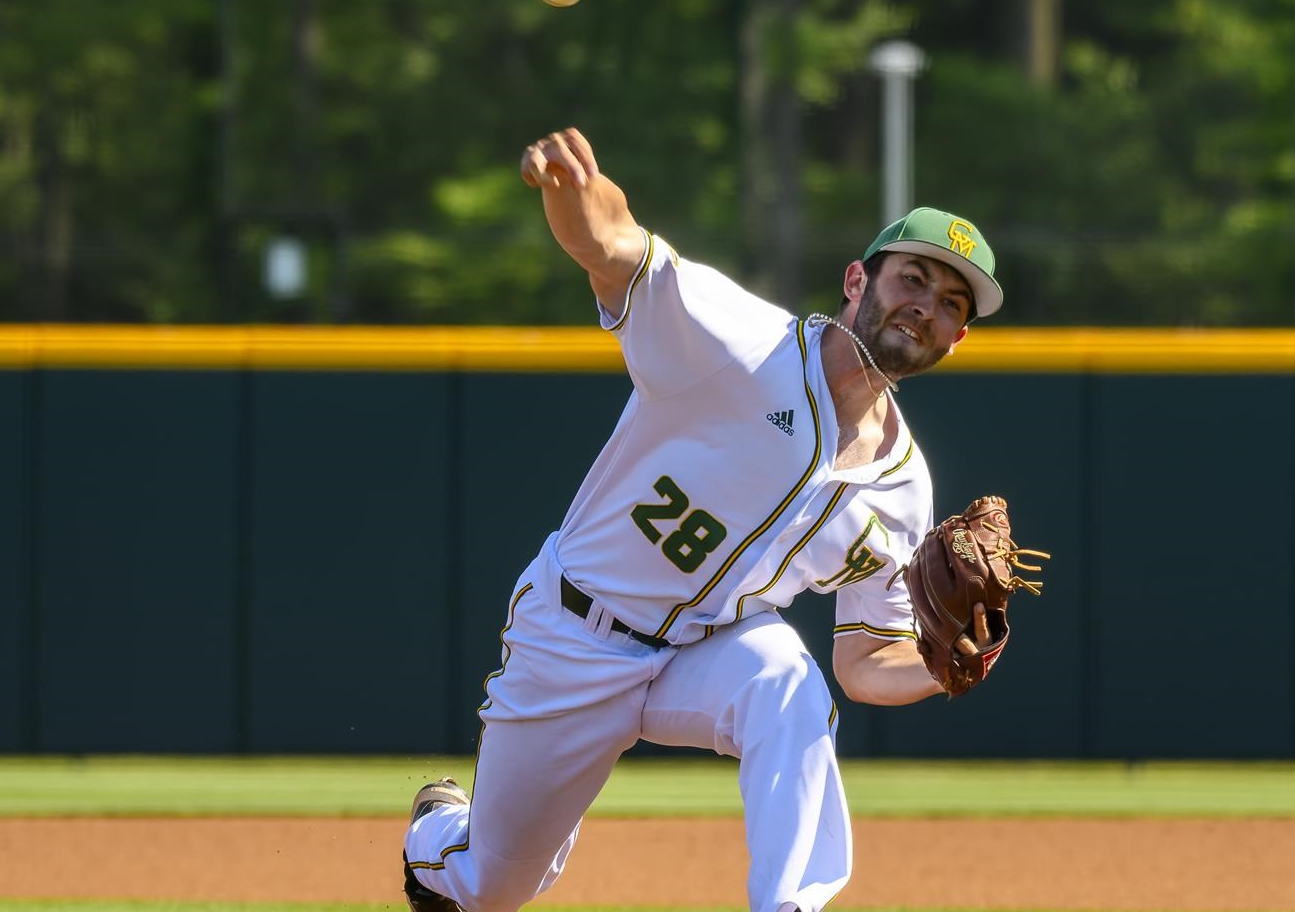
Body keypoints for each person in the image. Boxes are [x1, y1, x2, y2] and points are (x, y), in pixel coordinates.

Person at [401, 126, 1007, 912]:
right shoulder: (740, 341)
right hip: (577, 634)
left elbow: (863, 661)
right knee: (491, 888)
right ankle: (438, 830)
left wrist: (939, 664)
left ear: (957, 339)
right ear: (858, 280)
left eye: (950, 303)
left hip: (704, 653)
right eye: (913, 278)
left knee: (787, 680)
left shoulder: (903, 490)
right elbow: (615, 246)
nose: (924, 306)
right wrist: (568, 190)